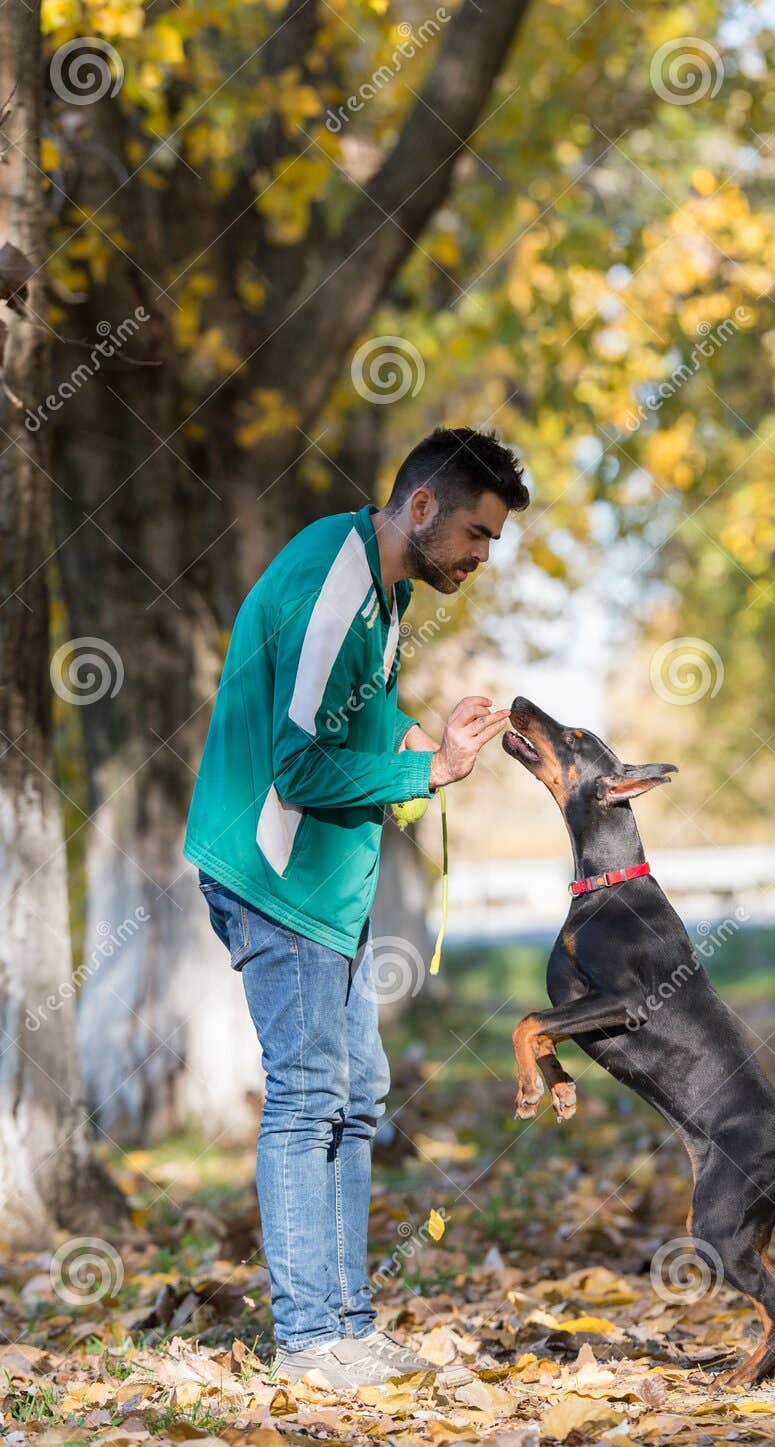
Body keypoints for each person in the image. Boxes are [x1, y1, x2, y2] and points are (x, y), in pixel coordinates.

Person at [183, 426, 529, 1387]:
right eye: (475, 534)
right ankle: (307, 1344)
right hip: (273, 874)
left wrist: (415, 730)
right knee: (306, 1094)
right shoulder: (334, 584)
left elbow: (352, 709)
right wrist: (428, 767)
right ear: (420, 506)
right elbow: (295, 767)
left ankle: (347, 1326)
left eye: (492, 542)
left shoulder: (386, 589)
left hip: (327, 887)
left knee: (361, 1093)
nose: (478, 558)